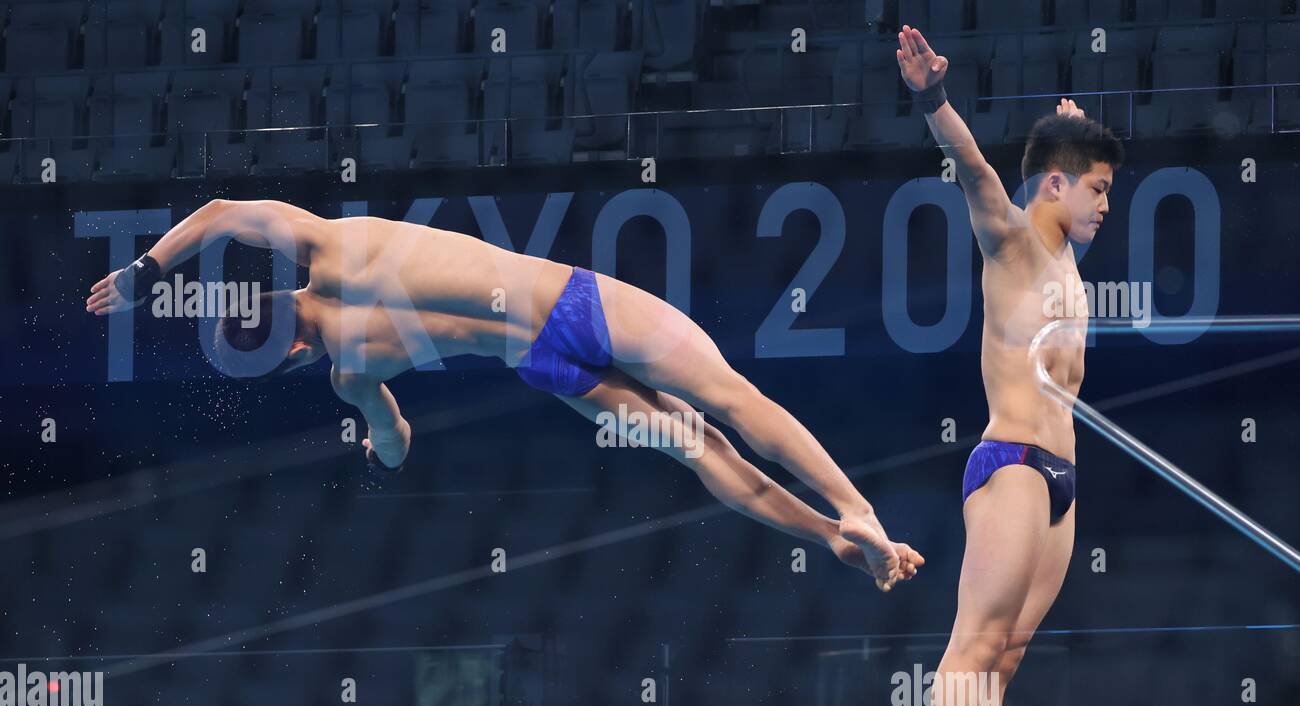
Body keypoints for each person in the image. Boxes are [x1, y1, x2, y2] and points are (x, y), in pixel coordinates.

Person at [86, 199, 924, 591]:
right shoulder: (331, 241)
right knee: (731, 402)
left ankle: (828, 537)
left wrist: (372, 438)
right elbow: (223, 213)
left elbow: (396, 444)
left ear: (292, 349)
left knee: (697, 448)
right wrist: (141, 273)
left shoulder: (348, 371)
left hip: (545, 361)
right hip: (573, 299)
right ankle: (857, 513)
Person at [895, 24, 1123, 706]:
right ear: (1056, 186)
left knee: (1010, 654)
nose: (1106, 206)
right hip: (1014, 464)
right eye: (1098, 190)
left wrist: (1067, 133)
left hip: (1063, 480)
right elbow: (974, 169)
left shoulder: (1064, 263)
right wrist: (934, 98)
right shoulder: (1015, 243)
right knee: (978, 643)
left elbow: (1050, 169)